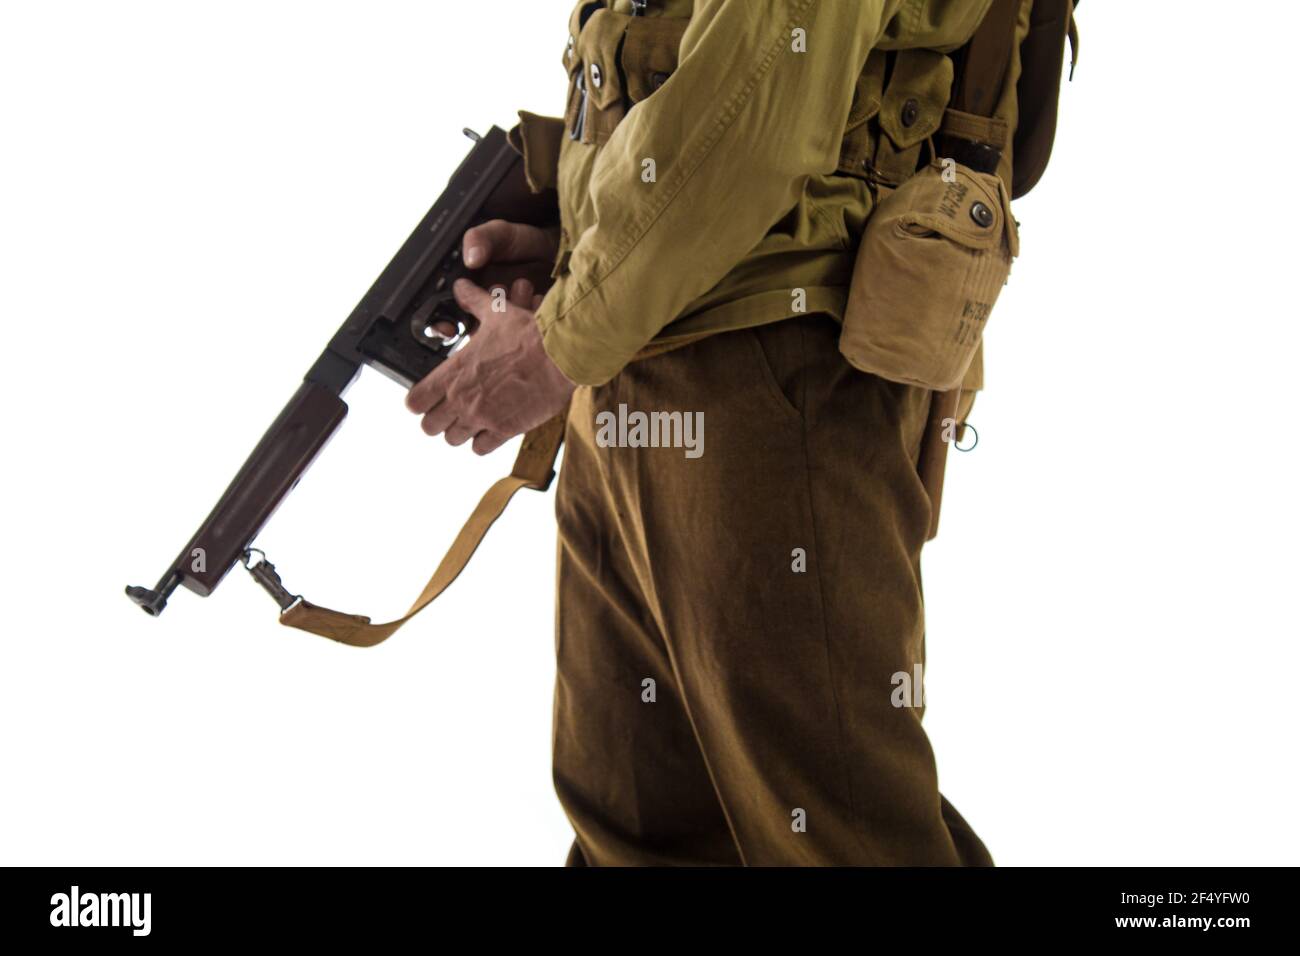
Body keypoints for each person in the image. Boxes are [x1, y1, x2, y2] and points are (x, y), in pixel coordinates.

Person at [405, 0, 1045, 866]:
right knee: (634, 821)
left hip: (773, 375)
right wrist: (580, 242)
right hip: (645, 353)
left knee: (839, 831)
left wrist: (563, 340)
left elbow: (758, 91)